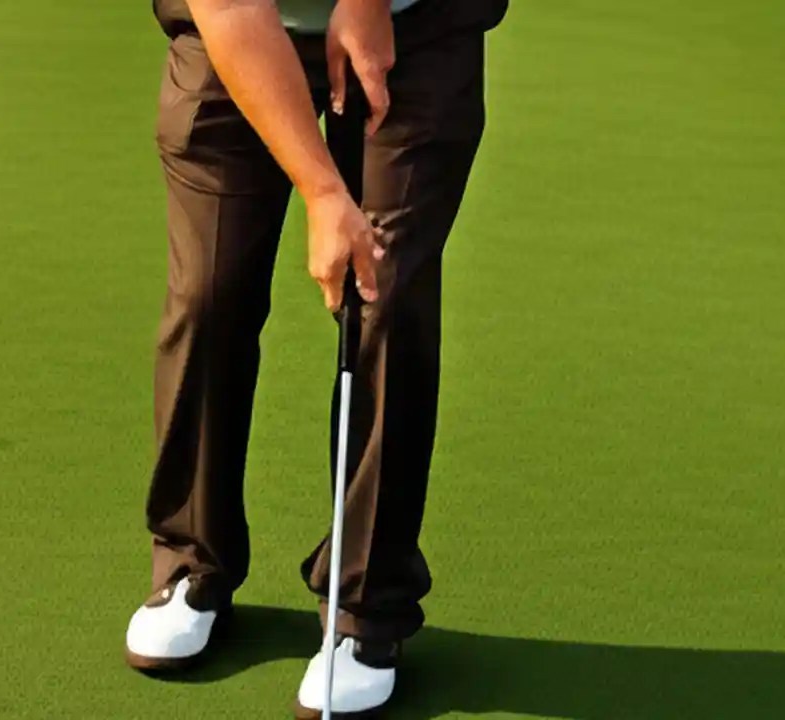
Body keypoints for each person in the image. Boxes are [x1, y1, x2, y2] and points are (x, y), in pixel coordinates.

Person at [125, 0, 508, 715]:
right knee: (209, 295)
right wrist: (324, 190)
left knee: (382, 295)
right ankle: (190, 560)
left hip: (414, 22)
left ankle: (365, 607)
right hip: (238, 27)